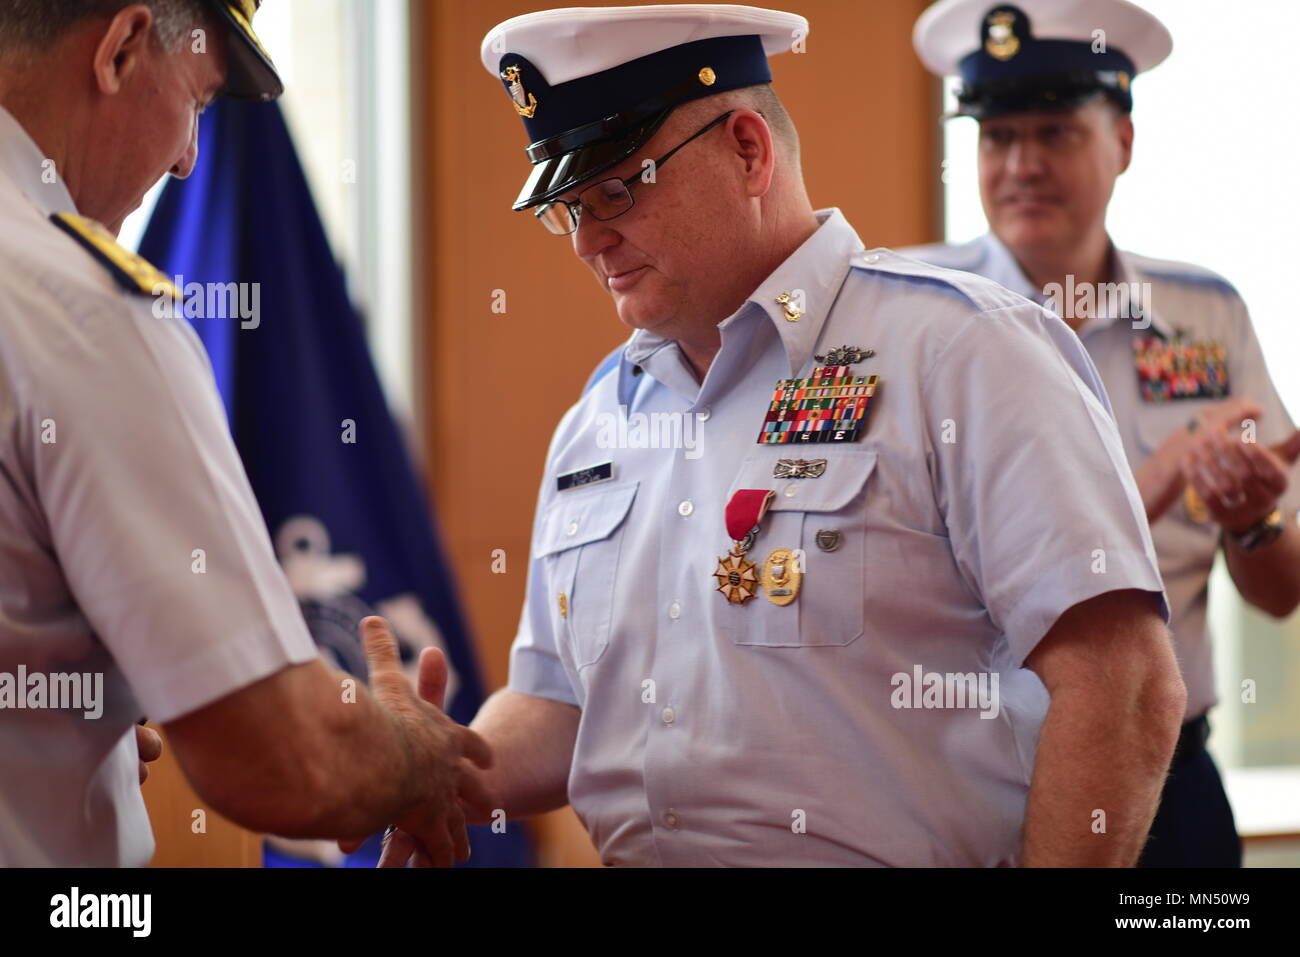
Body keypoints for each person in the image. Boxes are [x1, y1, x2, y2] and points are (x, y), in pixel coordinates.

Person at [378, 3, 1185, 868]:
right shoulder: (600, 418)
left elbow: (1123, 685)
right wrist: (433, 765)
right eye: (566, 206)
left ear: (748, 151)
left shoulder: (961, 352)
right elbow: (560, 707)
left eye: (614, 189)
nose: (586, 240)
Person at [0, 0, 488, 867]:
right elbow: (282, 756)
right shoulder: (83, 311)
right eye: (197, 99)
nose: (190, 160)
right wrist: (418, 758)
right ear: (120, 49)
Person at [904, 0, 1300, 867]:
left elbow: (1281, 591)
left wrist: (1253, 519)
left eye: (1055, 132)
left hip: (1171, 778)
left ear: (1123, 140)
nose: (1021, 166)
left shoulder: (1207, 313)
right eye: (997, 136)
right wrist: (1146, 487)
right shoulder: (911, 312)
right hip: (968, 778)